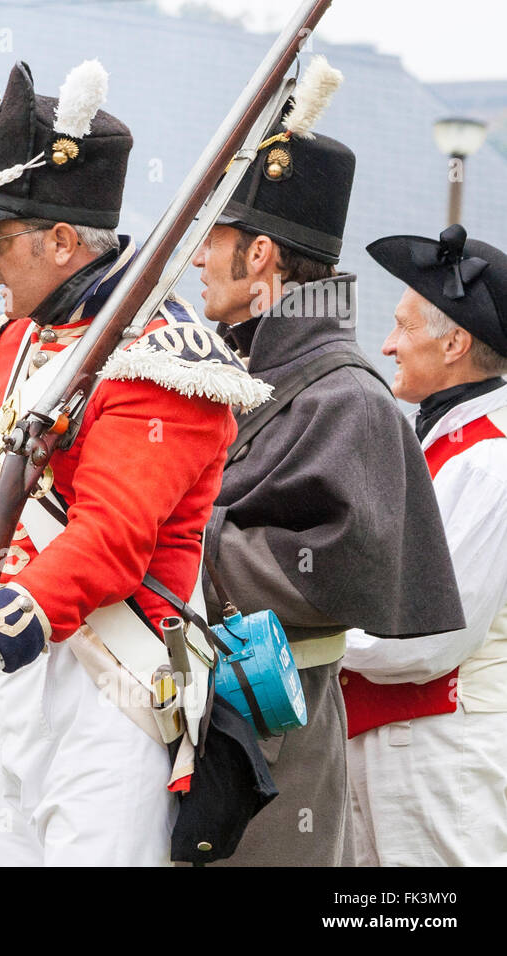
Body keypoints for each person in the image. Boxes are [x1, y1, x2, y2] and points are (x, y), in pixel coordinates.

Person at [0, 59, 268, 866]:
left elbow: (110, 542)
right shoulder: (23, 339)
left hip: (108, 689)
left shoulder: (161, 360)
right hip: (11, 677)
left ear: (62, 240)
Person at [188, 67, 465, 865]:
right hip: (202, 720)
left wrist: (184, 547)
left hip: (278, 737)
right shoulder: (229, 373)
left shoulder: (349, 401)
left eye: (218, 241)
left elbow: (341, 568)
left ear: (262, 255)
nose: (202, 258)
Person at [343, 225, 507, 866]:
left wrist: (315, 636)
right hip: (410, 745)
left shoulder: (487, 461)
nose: (385, 346)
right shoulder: (449, 449)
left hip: (441, 751)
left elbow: (432, 633)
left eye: (403, 328)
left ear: (455, 342)